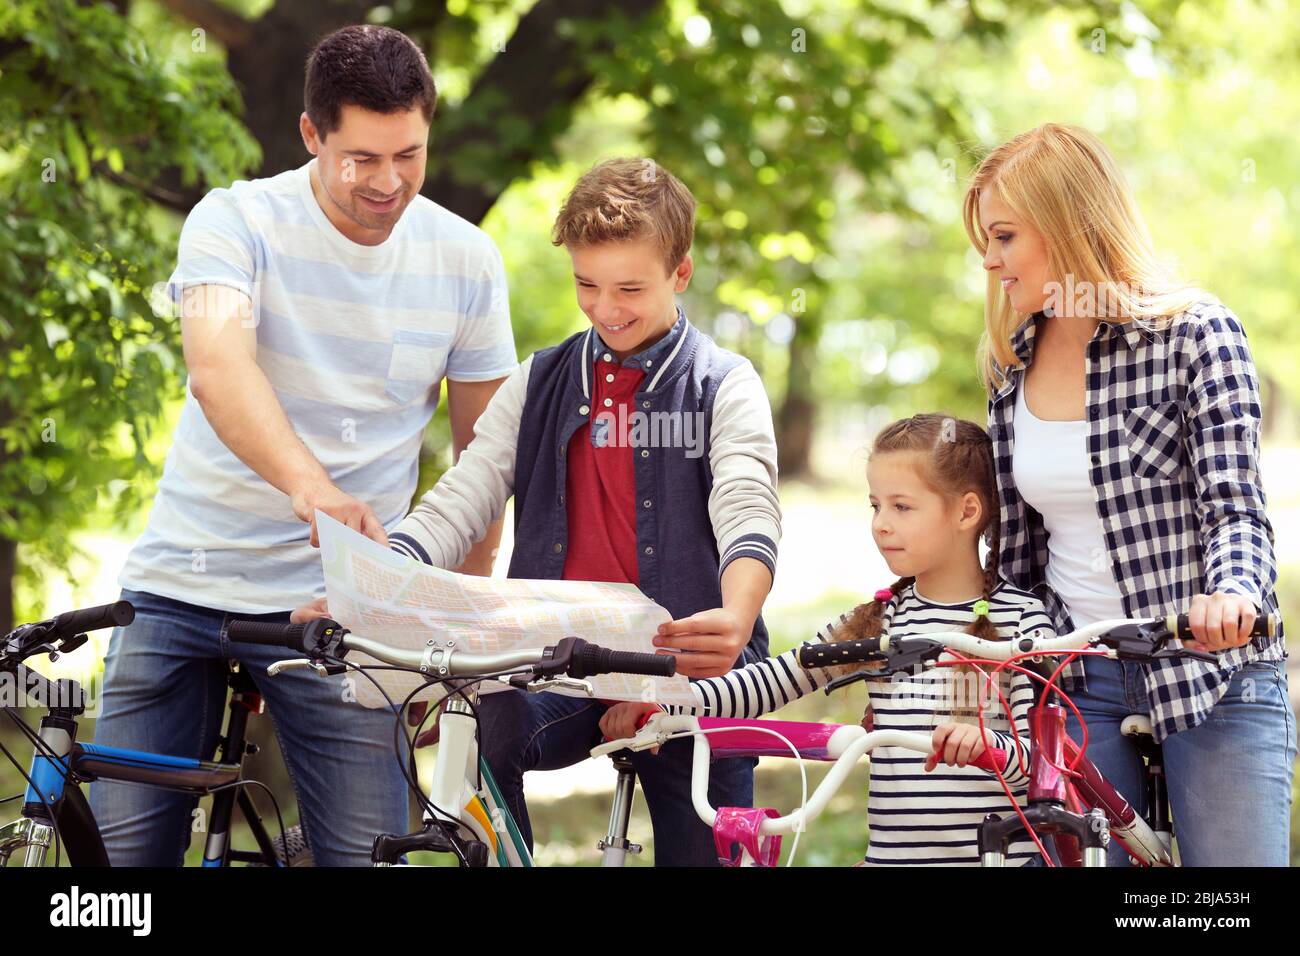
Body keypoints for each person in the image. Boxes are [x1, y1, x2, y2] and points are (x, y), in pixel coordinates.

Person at [91, 25, 518, 866]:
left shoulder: (466, 260)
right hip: (182, 585)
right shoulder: (236, 220)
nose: (388, 182)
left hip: (343, 614)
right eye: (362, 157)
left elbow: (485, 463)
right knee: (116, 867)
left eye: (409, 154)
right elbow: (218, 368)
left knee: (367, 856)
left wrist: (445, 638)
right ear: (311, 134)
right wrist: (313, 488)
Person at [319, 156, 783, 866]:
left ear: (680, 273)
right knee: (482, 723)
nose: (606, 308)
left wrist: (740, 616)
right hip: (559, 669)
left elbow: (748, 501)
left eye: (630, 287)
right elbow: (463, 497)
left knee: (705, 851)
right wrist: (370, 584)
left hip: (692, 674)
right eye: (586, 285)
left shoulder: (724, 383)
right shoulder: (540, 380)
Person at [966, 122, 1295, 865]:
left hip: (1211, 673)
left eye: (1006, 236)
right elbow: (1016, 559)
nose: (989, 259)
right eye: (986, 239)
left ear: (1069, 221)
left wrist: (1234, 595)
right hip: (1079, 684)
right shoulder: (1008, 369)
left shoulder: (1195, 333)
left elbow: (1235, 507)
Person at [610, 414, 1056, 865]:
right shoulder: (877, 620)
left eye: (902, 507)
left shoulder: (1020, 620)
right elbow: (768, 682)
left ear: (966, 511)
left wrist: (985, 746)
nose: (881, 524)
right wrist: (666, 702)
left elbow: (1040, 762)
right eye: (875, 505)